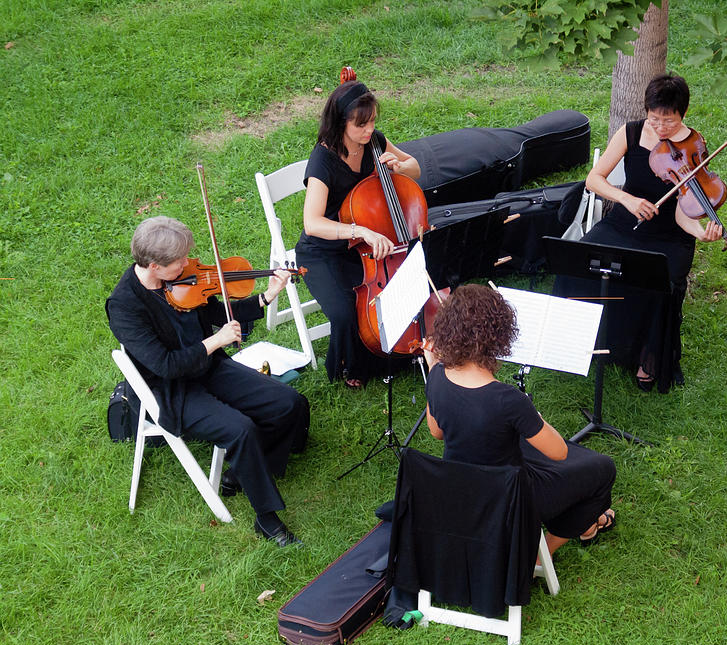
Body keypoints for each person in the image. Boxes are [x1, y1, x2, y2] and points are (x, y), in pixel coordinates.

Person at [107, 216, 310, 547]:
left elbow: (216, 312)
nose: (188, 264)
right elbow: (165, 365)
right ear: (155, 266)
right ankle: (266, 518)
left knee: (289, 403)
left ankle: (245, 471)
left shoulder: (184, 279)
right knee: (241, 429)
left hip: (208, 368)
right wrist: (216, 342)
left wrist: (268, 296)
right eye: (179, 262)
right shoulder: (125, 306)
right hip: (173, 390)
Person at [553, 74, 722, 393]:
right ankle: (579, 341)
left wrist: (702, 232)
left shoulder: (693, 147)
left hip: (669, 234)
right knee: (575, 264)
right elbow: (594, 179)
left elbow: (685, 211)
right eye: (654, 118)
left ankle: (648, 357)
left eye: (668, 121)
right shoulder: (630, 132)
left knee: (658, 282)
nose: (660, 127)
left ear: (682, 114)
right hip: (625, 223)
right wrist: (627, 199)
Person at [423, 284, 617, 556]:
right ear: (497, 336)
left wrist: (433, 366)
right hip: (509, 501)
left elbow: (437, 432)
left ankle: (584, 525)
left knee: (528, 450)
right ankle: (540, 555)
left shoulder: (436, 376)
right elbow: (559, 452)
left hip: (464, 491)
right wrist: (533, 415)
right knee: (602, 468)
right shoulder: (508, 400)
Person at [295, 78, 421, 388]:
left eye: (372, 122)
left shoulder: (374, 142)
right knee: (345, 313)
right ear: (340, 123)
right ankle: (349, 366)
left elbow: (415, 166)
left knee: (400, 292)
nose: (369, 131)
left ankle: (398, 353)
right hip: (323, 250)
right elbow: (312, 222)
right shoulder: (323, 160)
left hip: (364, 248)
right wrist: (360, 229)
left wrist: (401, 169)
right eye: (360, 125)